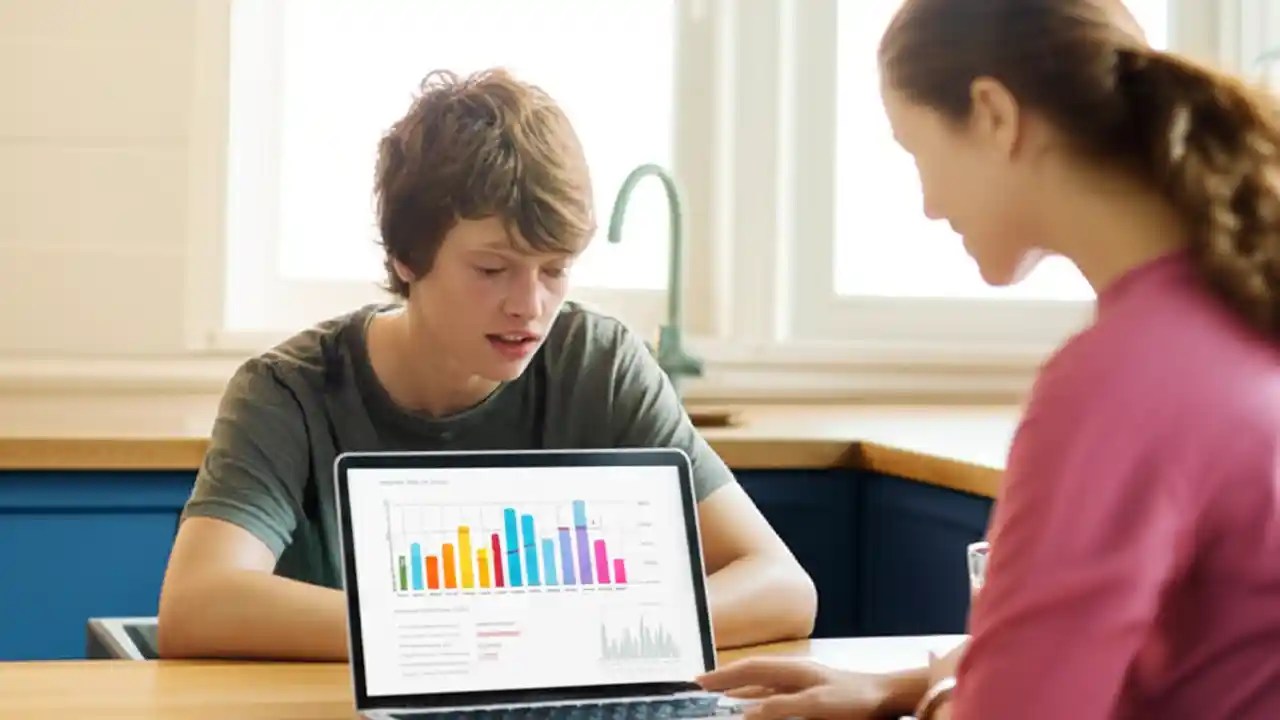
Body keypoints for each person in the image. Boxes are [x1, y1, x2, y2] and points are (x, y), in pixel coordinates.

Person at [698, 0, 1280, 717]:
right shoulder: (1241, 312)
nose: (929, 205)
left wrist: (948, 693)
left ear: (993, 114)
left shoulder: (1118, 381)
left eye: (916, 151)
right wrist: (895, 687)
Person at [156, 68, 817, 660]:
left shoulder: (602, 366)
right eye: (492, 269)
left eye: (554, 270)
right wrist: (471, 629)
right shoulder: (289, 393)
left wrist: (571, 631)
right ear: (407, 258)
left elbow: (783, 588)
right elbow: (198, 604)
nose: (530, 307)